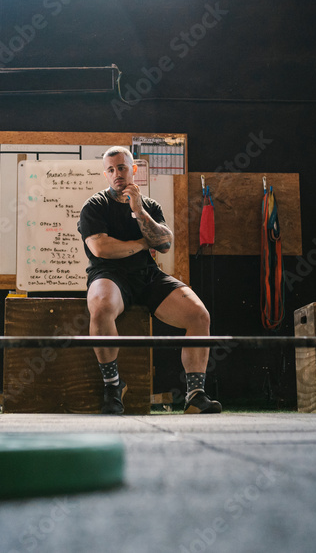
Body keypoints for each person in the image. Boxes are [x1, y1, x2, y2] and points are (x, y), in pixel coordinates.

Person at [78, 147, 222, 414]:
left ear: (133, 170)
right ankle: (113, 387)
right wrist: (142, 243)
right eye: (110, 170)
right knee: (100, 306)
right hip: (109, 274)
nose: (117, 174)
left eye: (121, 167)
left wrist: (140, 212)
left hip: (147, 275)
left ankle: (195, 395)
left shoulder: (150, 206)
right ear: (105, 175)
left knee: (199, 315)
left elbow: (165, 243)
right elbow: (101, 249)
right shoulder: (95, 206)